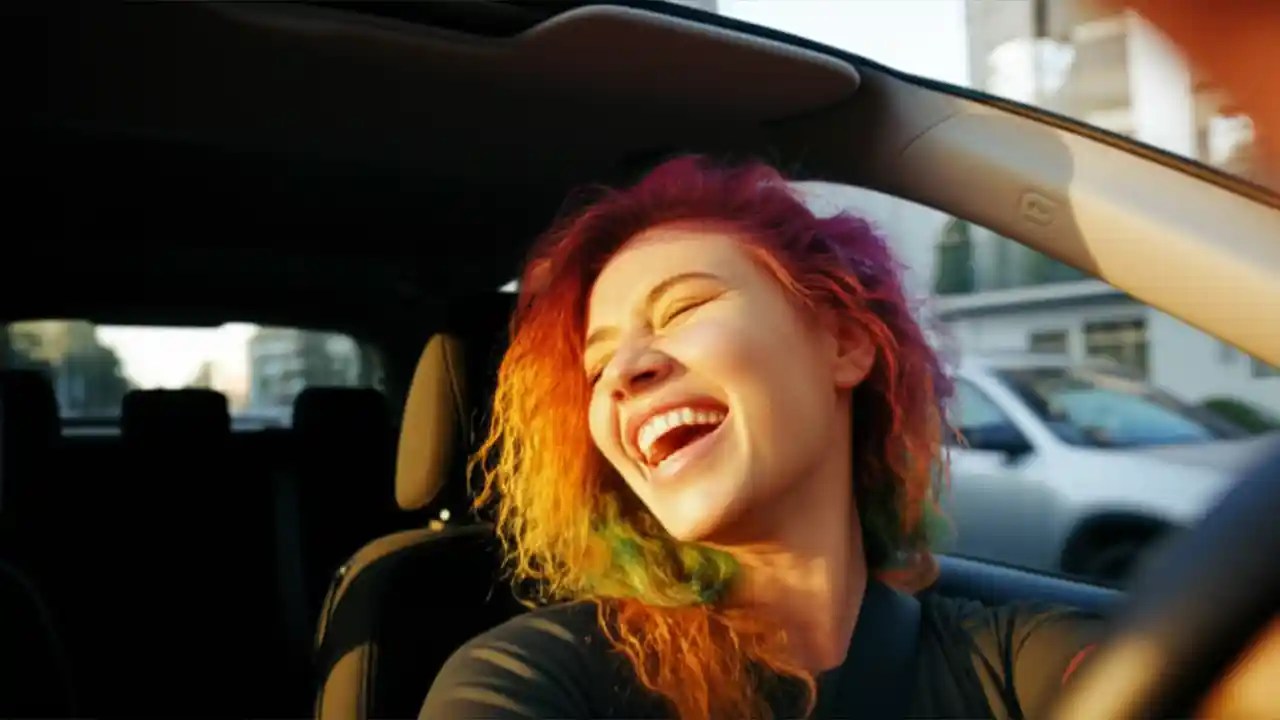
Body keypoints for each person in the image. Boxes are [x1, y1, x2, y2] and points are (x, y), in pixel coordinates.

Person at [421, 156, 1103, 720]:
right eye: (597, 367)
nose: (626, 372)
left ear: (844, 341)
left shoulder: (1012, 665)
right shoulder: (536, 677)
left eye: (683, 308)